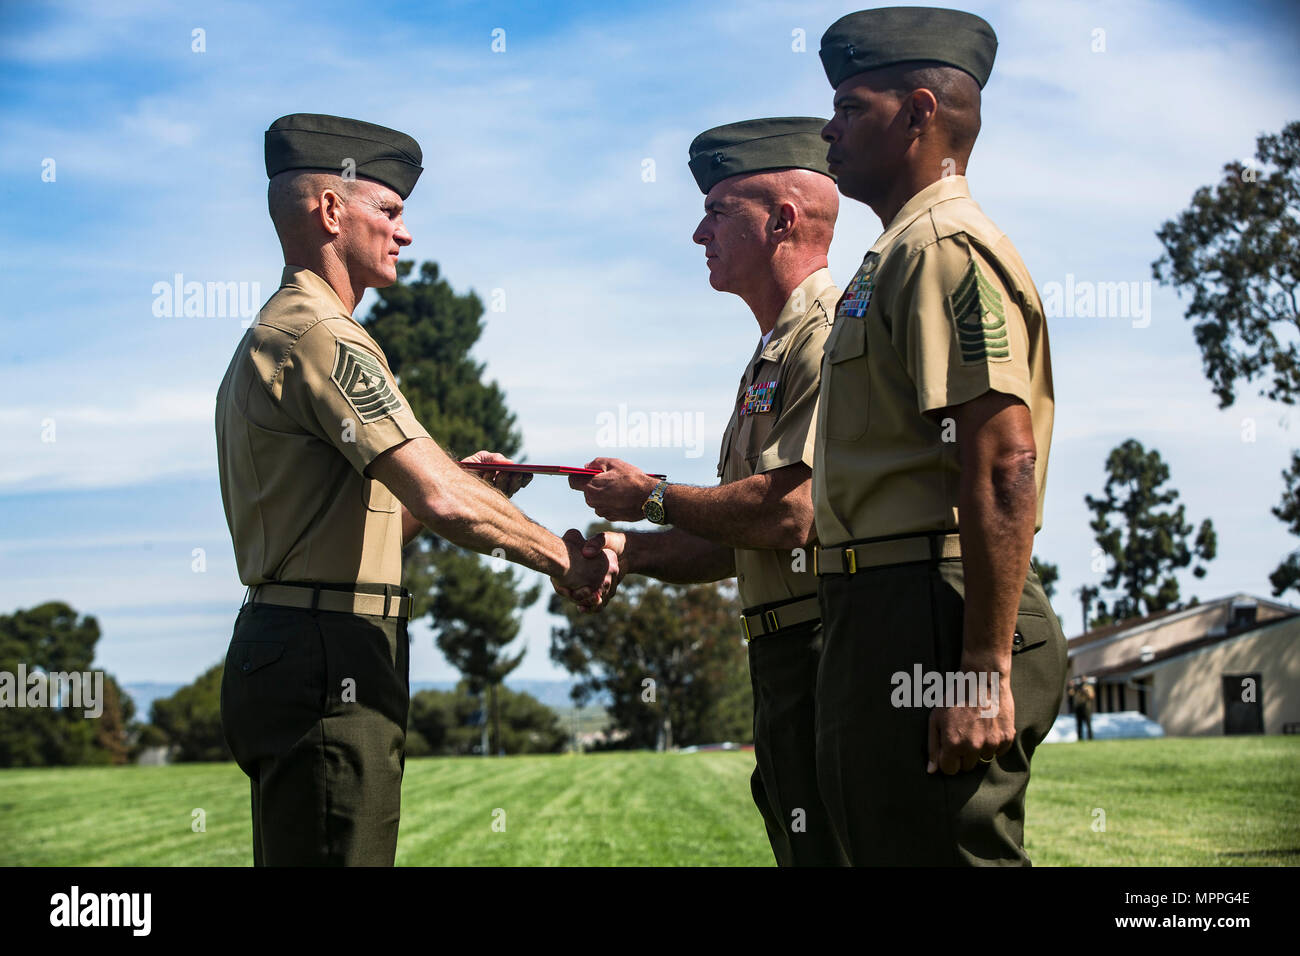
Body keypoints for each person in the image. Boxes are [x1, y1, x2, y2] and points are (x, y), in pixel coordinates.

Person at [215, 113, 618, 866]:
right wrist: (561, 556)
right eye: (390, 212)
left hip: (297, 640)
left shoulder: (277, 331)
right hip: (327, 654)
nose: (405, 234)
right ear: (332, 212)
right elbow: (438, 499)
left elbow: (354, 529)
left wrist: (462, 486)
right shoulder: (323, 336)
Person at [810, 8, 1068, 865]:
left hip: (936, 609)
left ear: (920, 113)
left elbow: (1003, 462)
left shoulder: (944, 248)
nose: (828, 128)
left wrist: (982, 669)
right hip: (888, 606)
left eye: (850, 107)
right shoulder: (896, 251)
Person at [561, 118, 847, 865]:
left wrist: (651, 495)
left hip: (825, 651)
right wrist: (627, 546)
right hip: (787, 658)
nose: (697, 233)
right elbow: (736, 532)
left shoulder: (827, 335)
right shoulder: (775, 350)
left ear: (781, 221)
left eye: (718, 211)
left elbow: (788, 514)